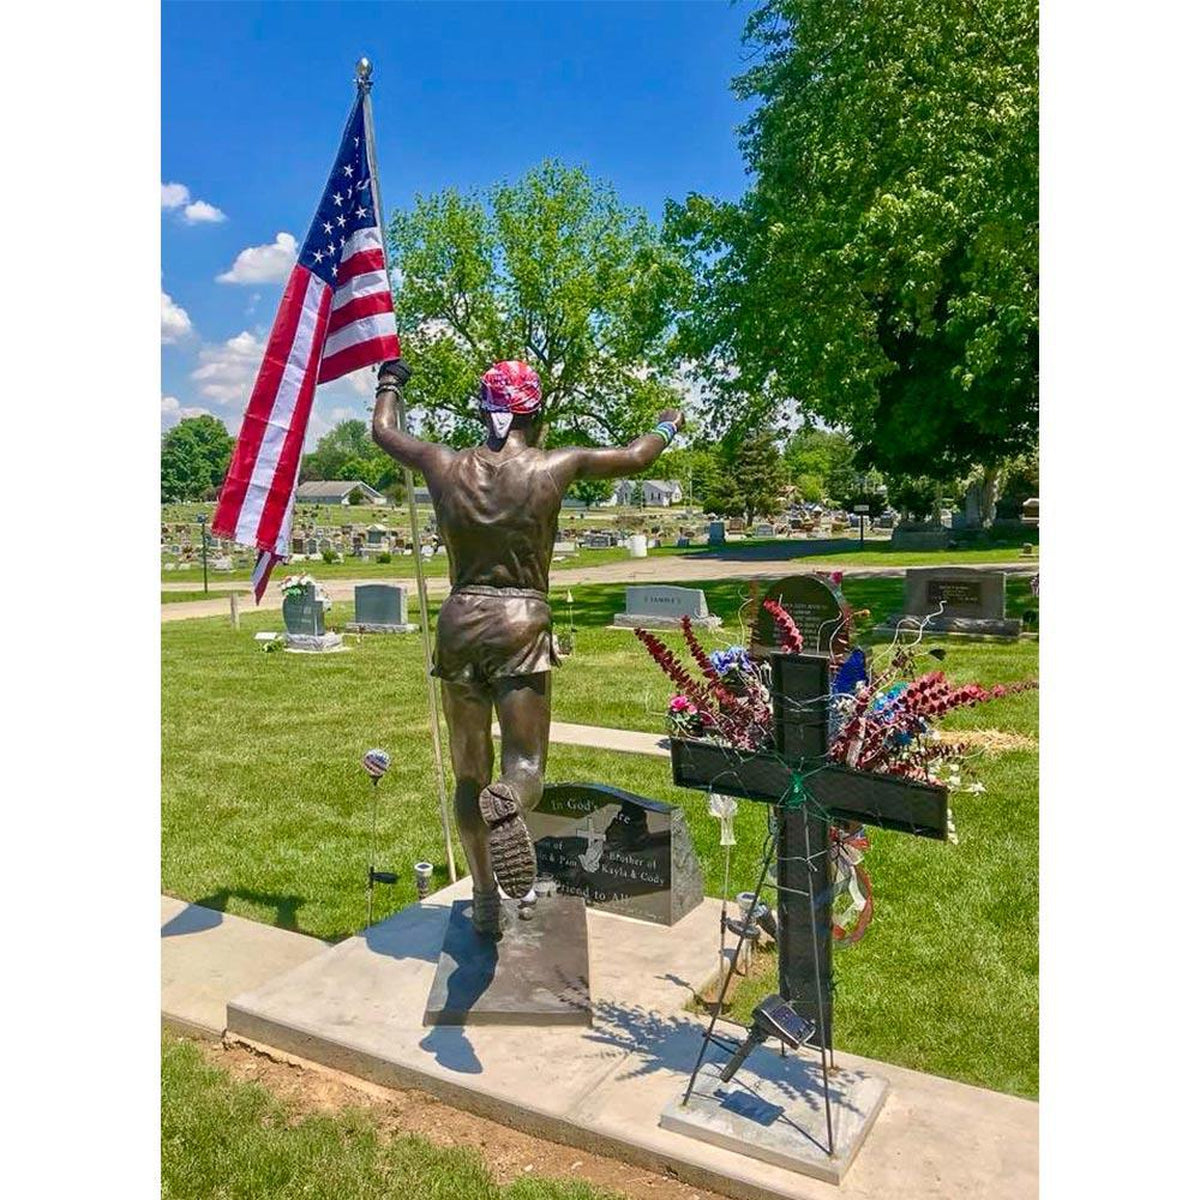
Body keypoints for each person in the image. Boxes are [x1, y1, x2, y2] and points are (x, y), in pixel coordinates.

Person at [372, 357, 683, 935]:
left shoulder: (443, 464)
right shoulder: (554, 466)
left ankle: (485, 897)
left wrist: (390, 381)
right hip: (520, 619)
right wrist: (667, 422)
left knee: (469, 775)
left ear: (481, 412)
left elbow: (385, 433)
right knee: (524, 765)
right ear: (534, 414)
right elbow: (638, 456)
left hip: (460, 620)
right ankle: (511, 802)